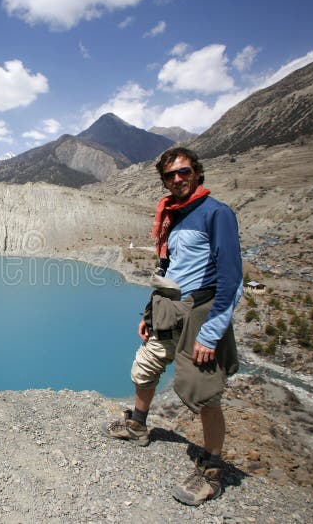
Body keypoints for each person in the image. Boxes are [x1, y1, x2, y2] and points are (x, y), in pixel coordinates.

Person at [105, 146, 243, 506]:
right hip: (168, 311)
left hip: (200, 314)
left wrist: (212, 332)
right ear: (164, 180)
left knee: (204, 392)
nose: (177, 179)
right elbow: (167, 271)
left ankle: (212, 470)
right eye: (170, 175)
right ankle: (137, 425)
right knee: (144, 367)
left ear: (197, 172)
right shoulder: (172, 216)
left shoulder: (217, 213)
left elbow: (231, 278)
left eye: (183, 172)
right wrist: (150, 314)